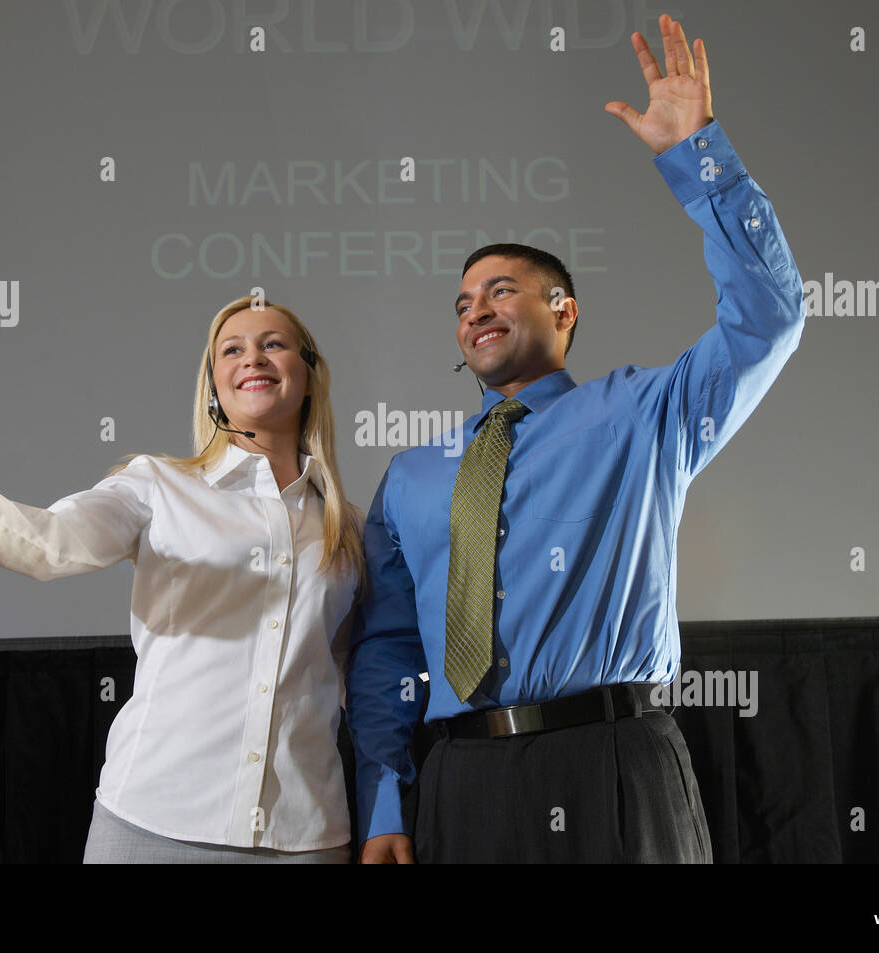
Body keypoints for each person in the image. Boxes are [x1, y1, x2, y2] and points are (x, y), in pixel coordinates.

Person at [346, 14, 805, 863]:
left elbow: (768, 317)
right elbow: (388, 651)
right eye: (462, 303)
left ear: (565, 312)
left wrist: (698, 152)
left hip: (615, 765)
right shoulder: (411, 475)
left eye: (502, 289)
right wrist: (383, 801)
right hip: (461, 783)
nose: (476, 309)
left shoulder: (642, 415)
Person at [0, 295, 365, 864]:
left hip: (304, 838)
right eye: (232, 349)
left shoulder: (349, 530)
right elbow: (43, 543)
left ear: (310, 374)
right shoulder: (156, 486)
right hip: (151, 827)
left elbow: (355, 680)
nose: (254, 359)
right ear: (214, 386)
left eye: (274, 344)